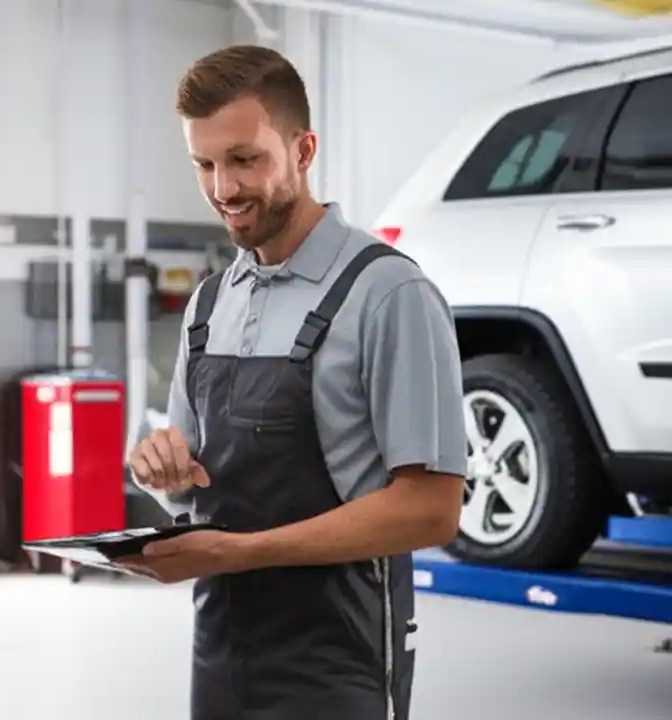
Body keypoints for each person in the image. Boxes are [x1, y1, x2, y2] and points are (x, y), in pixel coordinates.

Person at [123, 45, 467, 719]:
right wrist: (158, 470)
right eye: (205, 164)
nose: (223, 188)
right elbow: (189, 494)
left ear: (303, 150)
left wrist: (243, 553)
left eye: (245, 159)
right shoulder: (211, 302)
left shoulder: (389, 293)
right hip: (220, 647)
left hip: (339, 655)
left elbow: (432, 508)